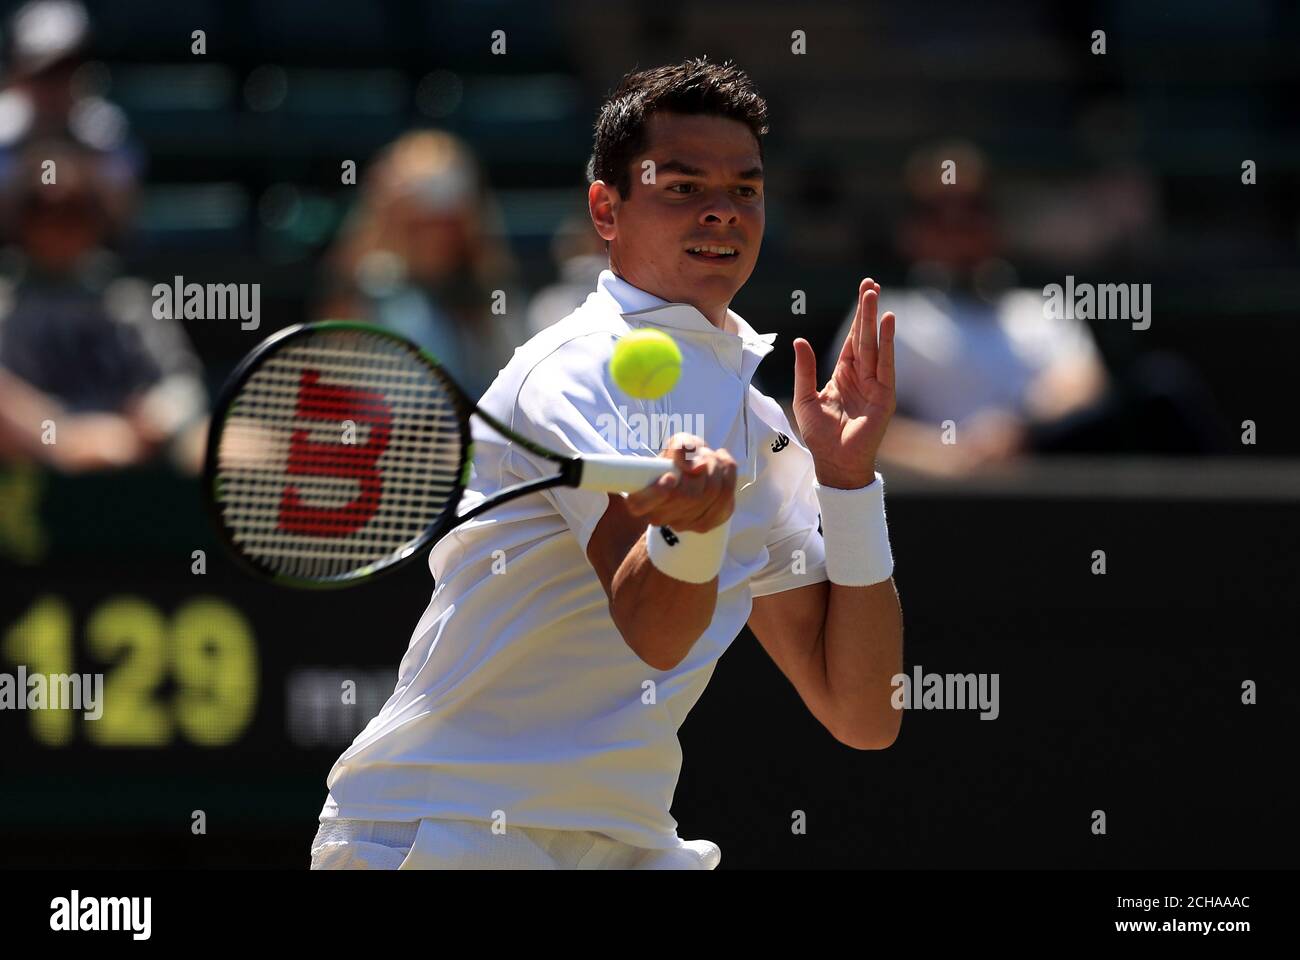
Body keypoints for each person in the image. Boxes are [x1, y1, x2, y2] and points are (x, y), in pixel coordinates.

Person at [311, 59, 904, 870]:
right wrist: (692, 533)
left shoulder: (757, 422)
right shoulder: (571, 371)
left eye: (745, 189)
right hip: (440, 830)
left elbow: (863, 712)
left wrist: (848, 485)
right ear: (606, 209)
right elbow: (654, 632)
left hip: (621, 842)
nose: (723, 213)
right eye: (683, 188)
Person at [829, 141, 1225, 476]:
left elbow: (1085, 384)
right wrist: (949, 457)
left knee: (1162, 389)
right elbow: (842, 422)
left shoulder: (1040, 308)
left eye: (973, 208)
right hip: (954, 491)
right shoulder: (884, 312)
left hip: (1053, 469)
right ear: (911, 229)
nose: (959, 224)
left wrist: (1014, 432)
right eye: (938, 212)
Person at [0, 138, 207, 473]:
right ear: (23, 222)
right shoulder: (5, 303)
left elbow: (180, 382)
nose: (59, 231)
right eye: (44, 215)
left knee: (231, 445)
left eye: (73, 215)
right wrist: (61, 436)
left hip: (133, 450)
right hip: (32, 463)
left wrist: (160, 416)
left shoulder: (128, 300)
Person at [318, 130, 525, 401]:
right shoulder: (373, 287)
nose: (436, 236)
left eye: (447, 222)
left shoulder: (492, 294)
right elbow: (334, 354)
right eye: (420, 223)